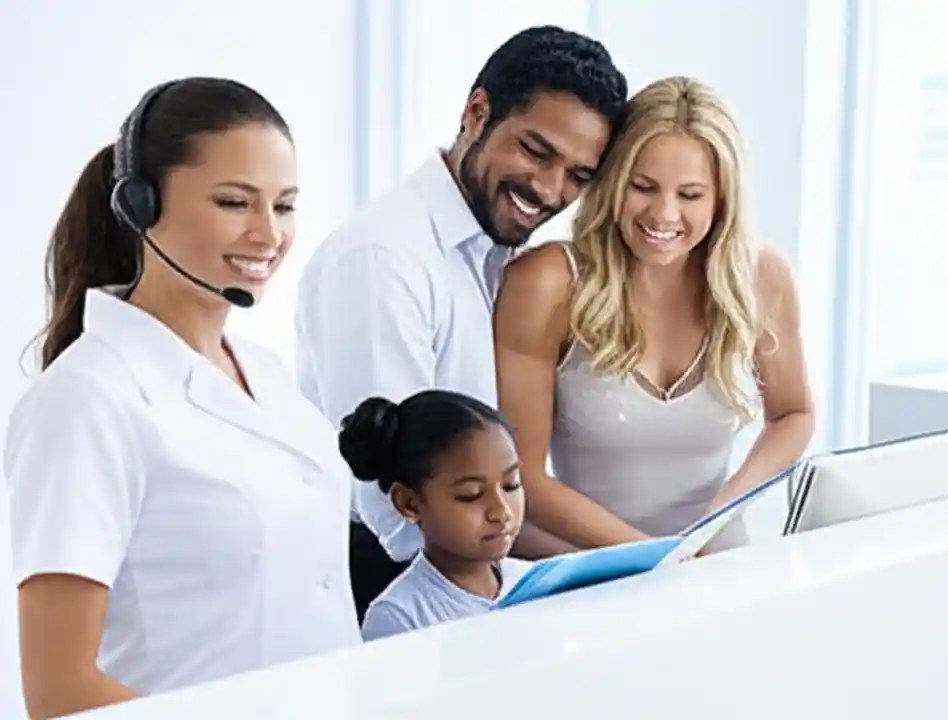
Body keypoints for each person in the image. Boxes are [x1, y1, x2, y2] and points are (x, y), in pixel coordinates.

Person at [3, 78, 359, 718]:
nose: (268, 234)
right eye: (234, 202)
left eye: (284, 206)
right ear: (140, 205)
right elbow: (59, 694)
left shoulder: (265, 375)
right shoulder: (87, 399)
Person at [295, 25, 628, 614]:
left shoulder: (502, 257)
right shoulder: (384, 260)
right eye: (535, 150)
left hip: (474, 582)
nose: (550, 190)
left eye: (578, 176)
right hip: (392, 595)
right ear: (476, 112)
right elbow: (398, 515)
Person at [493, 76, 815, 554]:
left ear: (721, 198)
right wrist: (658, 559)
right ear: (613, 182)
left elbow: (793, 413)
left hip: (719, 564)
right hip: (598, 571)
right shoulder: (547, 283)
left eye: (690, 195)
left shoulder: (762, 276)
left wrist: (719, 516)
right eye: (643, 187)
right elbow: (523, 477)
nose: (664, 215)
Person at [337, 390, 525, 642]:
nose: (501, 512)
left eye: (511, 484)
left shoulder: (534, 581)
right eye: (471, 494)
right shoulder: (399, 618)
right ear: (409, 504)